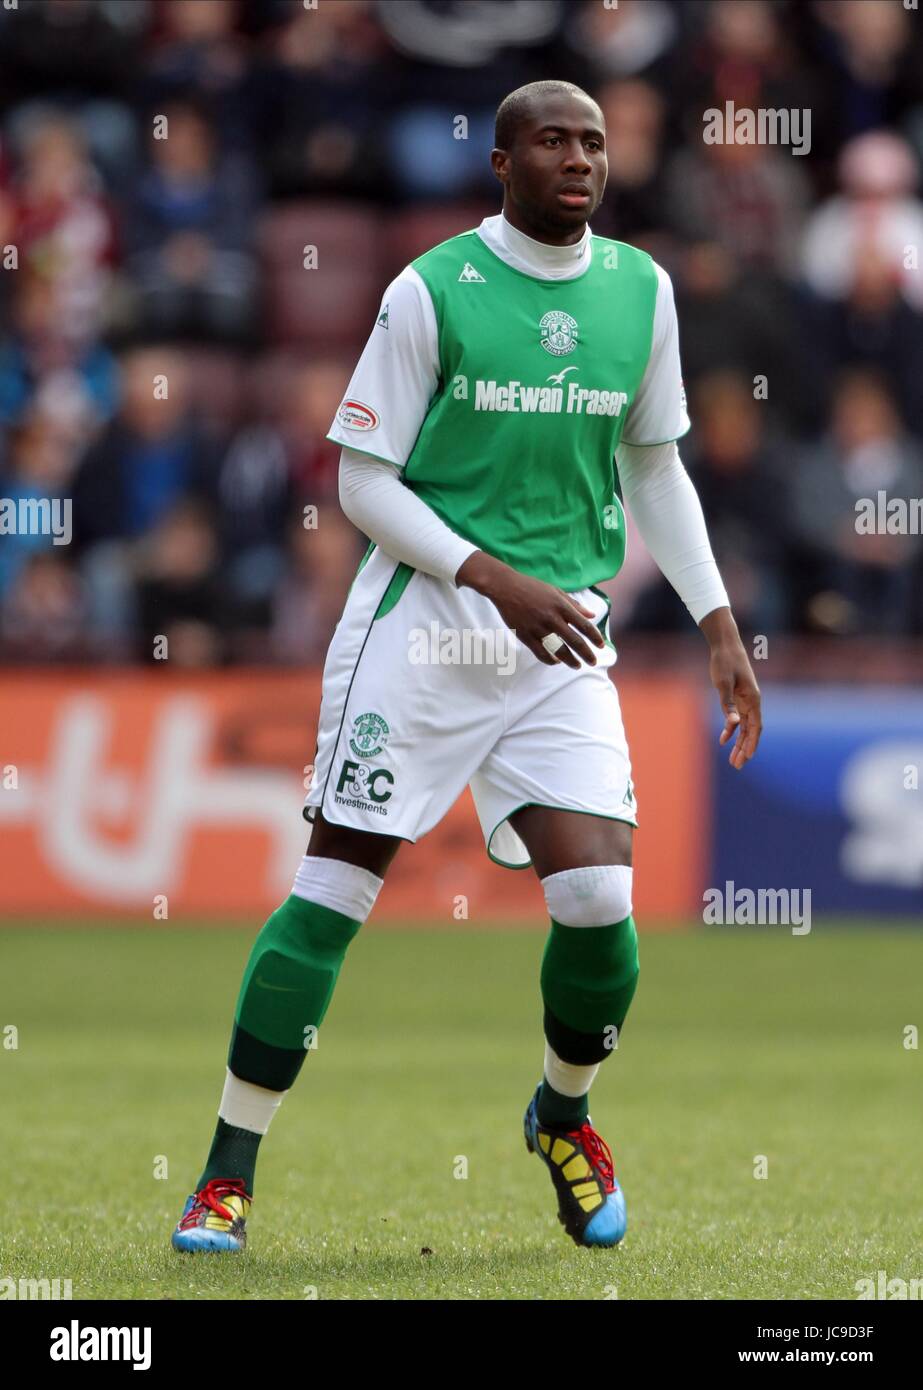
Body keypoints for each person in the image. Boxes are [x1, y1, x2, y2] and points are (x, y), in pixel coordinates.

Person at [171, 80, 762, 1255]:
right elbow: (361, 482)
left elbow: (653, 466)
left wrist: (715, 619)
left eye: (592, 141)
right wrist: (492, 578)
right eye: (553, 140)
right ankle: (226, 1174)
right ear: (501, 162)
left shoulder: (640, 292)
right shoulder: (429, 289)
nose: (579, 158)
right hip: (422, 630)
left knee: (599, 903)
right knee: (334, 894)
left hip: (561, 641)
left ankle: (562, 1114)